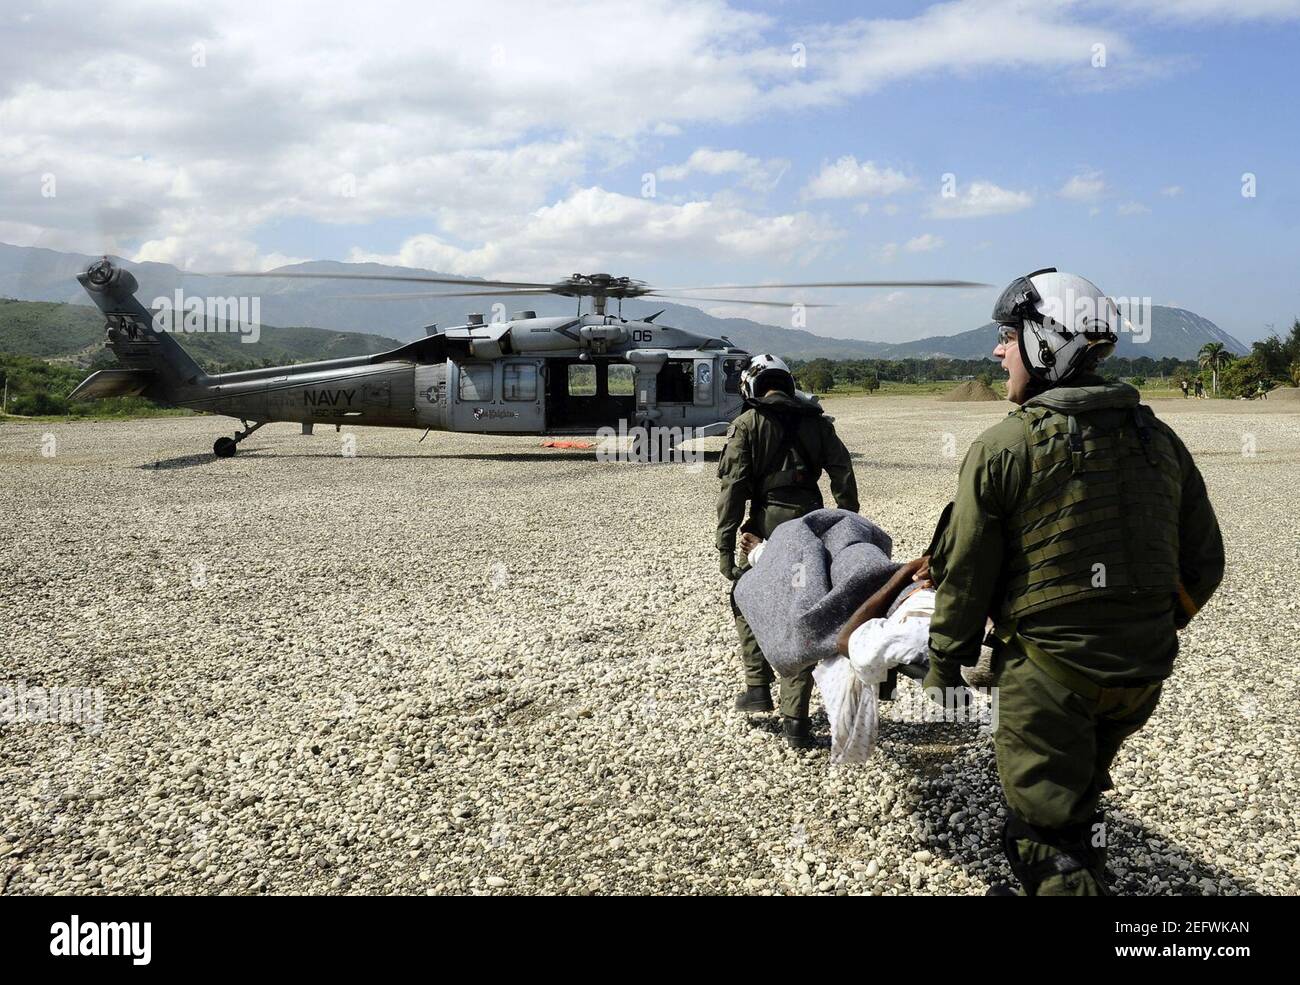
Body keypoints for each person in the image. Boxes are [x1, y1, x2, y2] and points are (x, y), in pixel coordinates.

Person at [925, 268, 1225, 896]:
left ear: (1044, 343)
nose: (998, 350)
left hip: (1051, 677)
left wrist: (944, 665)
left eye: (1008, 334)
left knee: (1040, 835)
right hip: (1141, 679)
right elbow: (1204, 564)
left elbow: (966, 574)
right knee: (1078, 799)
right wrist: (1151, 627)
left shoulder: (1004, 447)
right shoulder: (1161, 441)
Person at [717, 354, 860, 749]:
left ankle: (757, 685)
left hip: (768, 523)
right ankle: (795, 720)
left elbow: (733, 490)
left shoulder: (746, 425)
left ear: (751, 386)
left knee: (743, 597)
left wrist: (725, 545)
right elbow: (843, 472)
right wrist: (846, 523)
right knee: (803, 612)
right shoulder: (816, 422)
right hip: (812, 522)